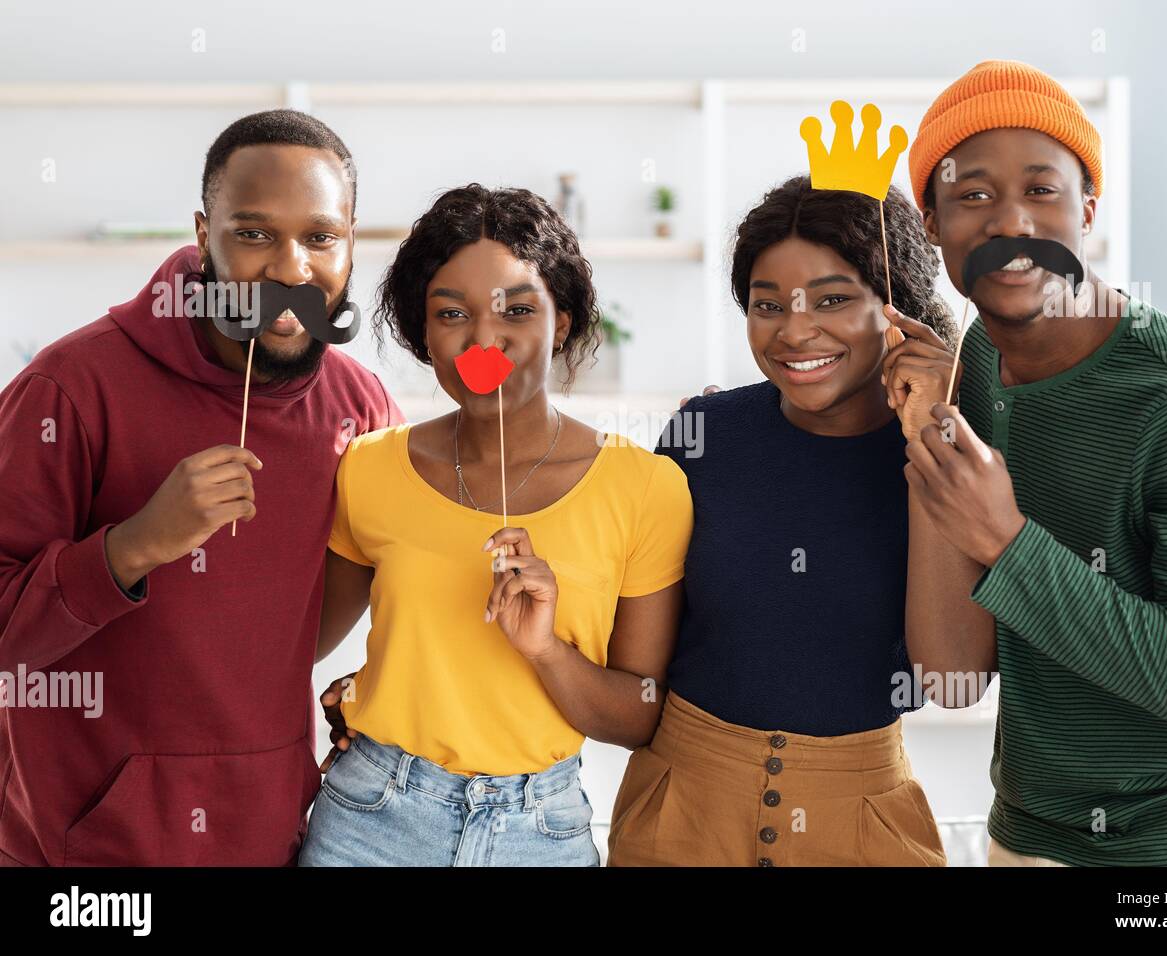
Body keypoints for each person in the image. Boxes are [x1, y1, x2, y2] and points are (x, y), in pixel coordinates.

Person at [905, 59, 1167, 866]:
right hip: (1030, 836)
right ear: (930, 224)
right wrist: (928, 432)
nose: (1010, 221)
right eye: (973, 194)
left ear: (1089, 209)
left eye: (1042, 190)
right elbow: (950, 680)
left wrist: (1009, 542)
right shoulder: (975, 363)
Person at [0, 110, 398, 866]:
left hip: (275, 833)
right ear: (203, 230)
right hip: (83, 854)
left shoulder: (363, 409)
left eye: (319, 237)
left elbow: (332, 610)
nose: (289, 271)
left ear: (350, 240)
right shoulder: (68, 388)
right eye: (253, 234)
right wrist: (134, 546)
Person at [606, 176, 995, 867]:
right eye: (766, 305)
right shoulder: (703, 435)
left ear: (897, 307)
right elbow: (635, 665)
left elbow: (952, 678)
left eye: (832, 299)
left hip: (863, 820)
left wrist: (927, 442)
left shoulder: (958, 453)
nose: (794, 330)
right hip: (680, 813)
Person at [303, 184, 693, 867]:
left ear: (563, 321)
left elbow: (639, 715)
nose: (486, 338)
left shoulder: (646, 488)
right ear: (424, 332)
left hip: (540, 831)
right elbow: (296, 646)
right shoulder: (368, 469)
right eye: (452, 312)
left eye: (517, 309)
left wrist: (545, 650)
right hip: (372, 819)